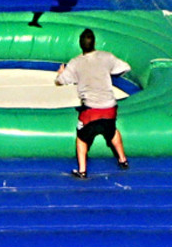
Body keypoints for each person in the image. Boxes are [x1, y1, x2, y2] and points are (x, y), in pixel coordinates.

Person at [55, 28, 130, 178]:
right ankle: (123, 160)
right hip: (109, 107)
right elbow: (126, 67)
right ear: (94, 43)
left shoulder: (76, 63)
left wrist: (60, 73)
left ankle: (82, 170)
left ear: (80, 45)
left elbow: (60, 82)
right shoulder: (106, 57)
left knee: (81, 138)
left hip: (91, 110)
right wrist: (109, 72)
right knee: (112, 130)